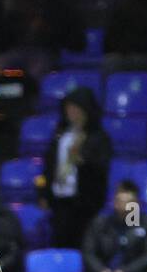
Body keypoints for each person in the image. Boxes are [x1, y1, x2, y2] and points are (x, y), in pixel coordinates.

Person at [41, 87, 112, 250]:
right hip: (59, 200)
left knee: (84, 245)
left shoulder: (98, 137)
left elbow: (102, 168)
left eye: (75, 108)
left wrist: (82, 160)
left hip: (85, 203)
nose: (71, 112)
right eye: (68, 108)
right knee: (60, 244)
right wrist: (44, 193)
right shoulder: (60, 134)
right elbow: (49, 165)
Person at [79, 180, 147, 272]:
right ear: (114, 203)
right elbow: (88, 252)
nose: (124, 206)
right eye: (120, 201)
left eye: (129, 202)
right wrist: (101, 271)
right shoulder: (100, 223)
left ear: (137, 203)